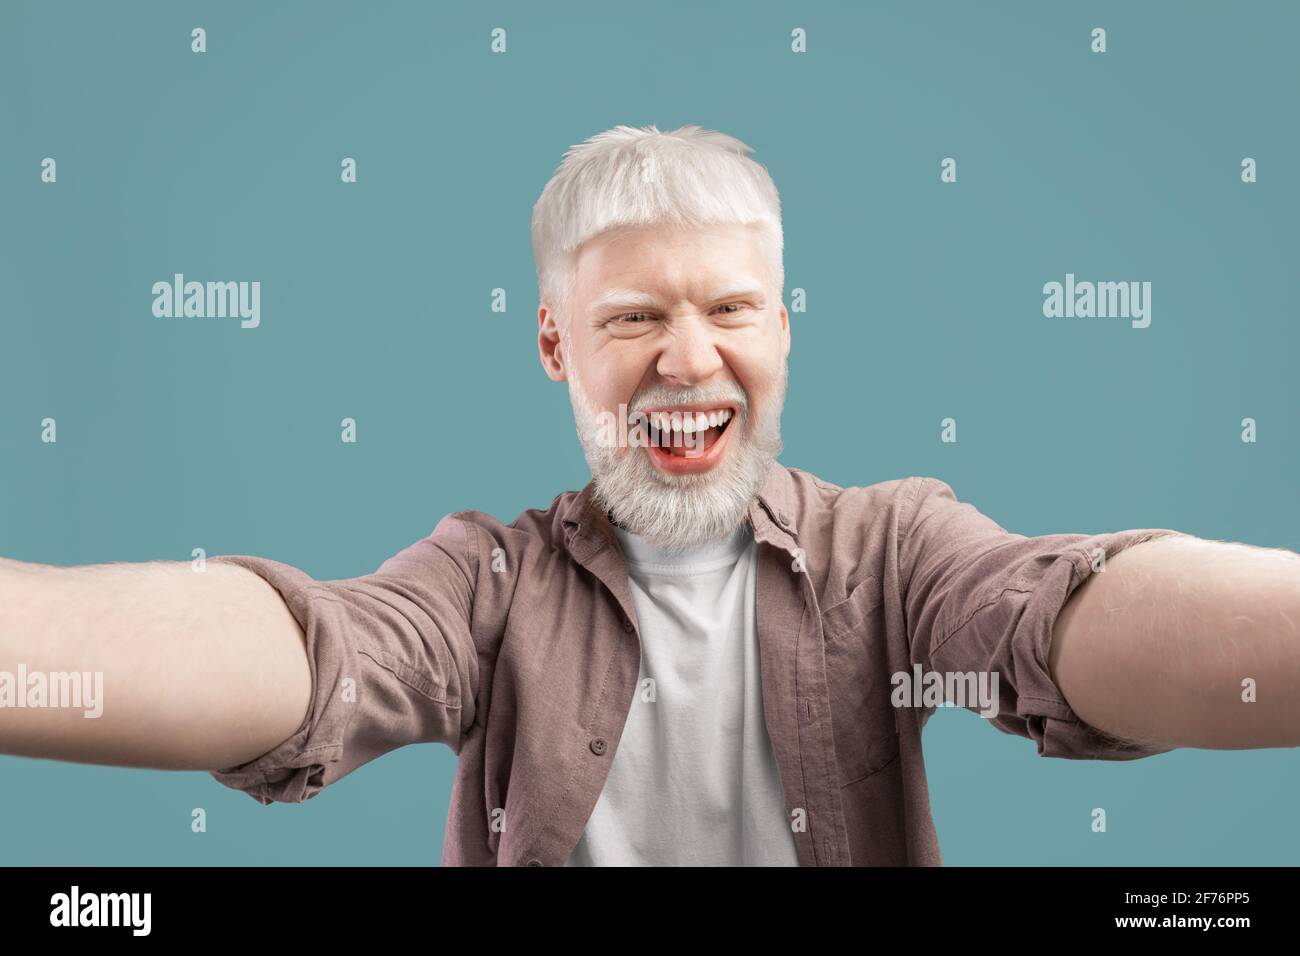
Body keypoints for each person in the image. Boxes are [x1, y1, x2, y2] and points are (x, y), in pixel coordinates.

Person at [2, 125, 1298, 866]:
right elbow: (314, 653)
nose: (689, 356)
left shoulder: (895, 553)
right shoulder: (486, 582)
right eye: (632, 317)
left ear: (782, 333)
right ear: (557, 343)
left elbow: (1061, 621)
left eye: (730, 308)